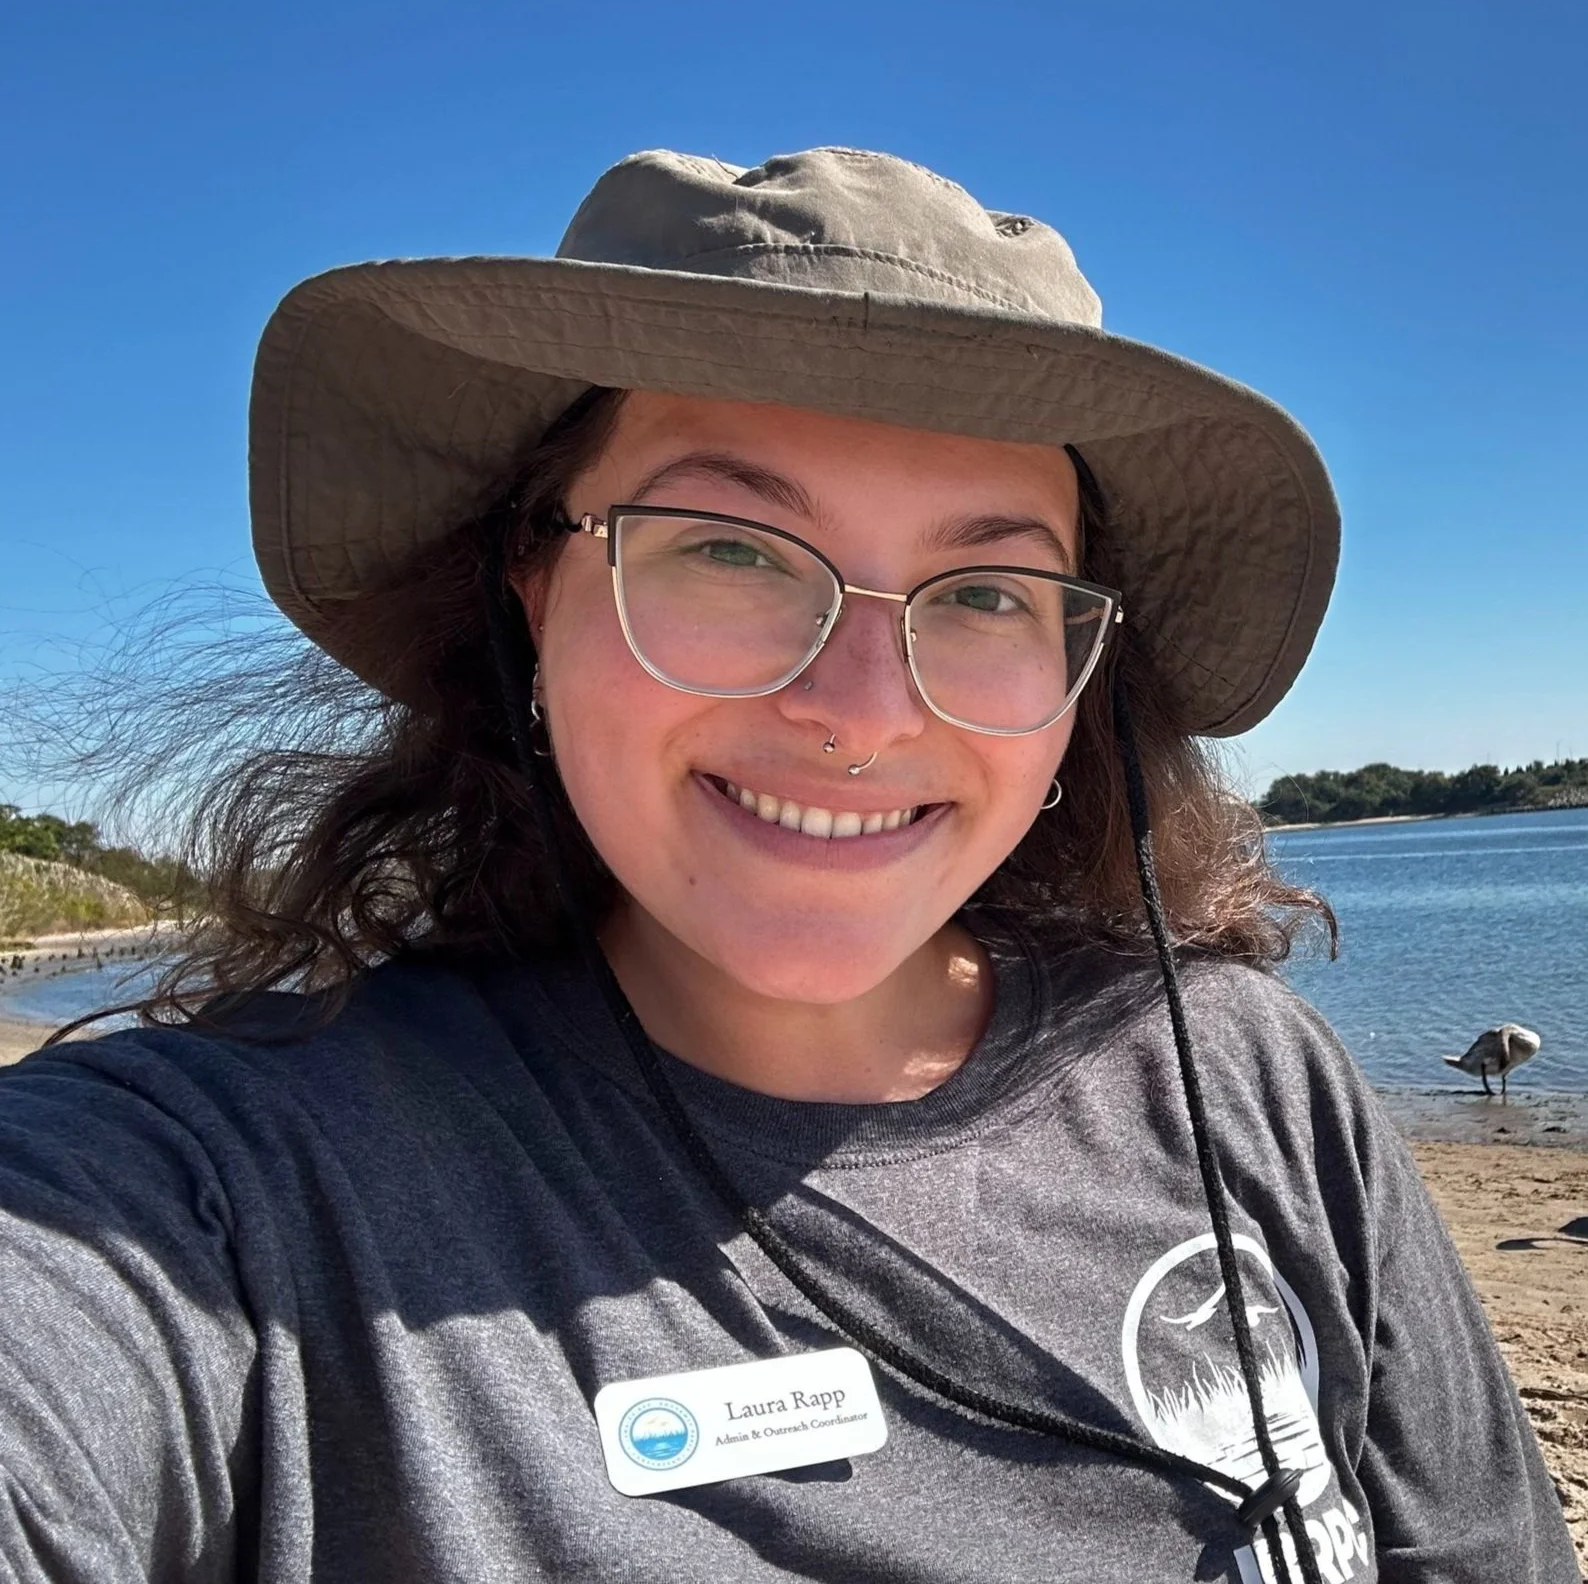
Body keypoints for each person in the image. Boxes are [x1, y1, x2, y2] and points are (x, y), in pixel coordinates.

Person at [0, 148, 1574, 1584]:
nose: (863, 712)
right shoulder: (205, 1197)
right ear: (529, 592)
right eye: (733, 550)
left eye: (986, 591)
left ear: (1078, 678)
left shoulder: (1248, 1083)